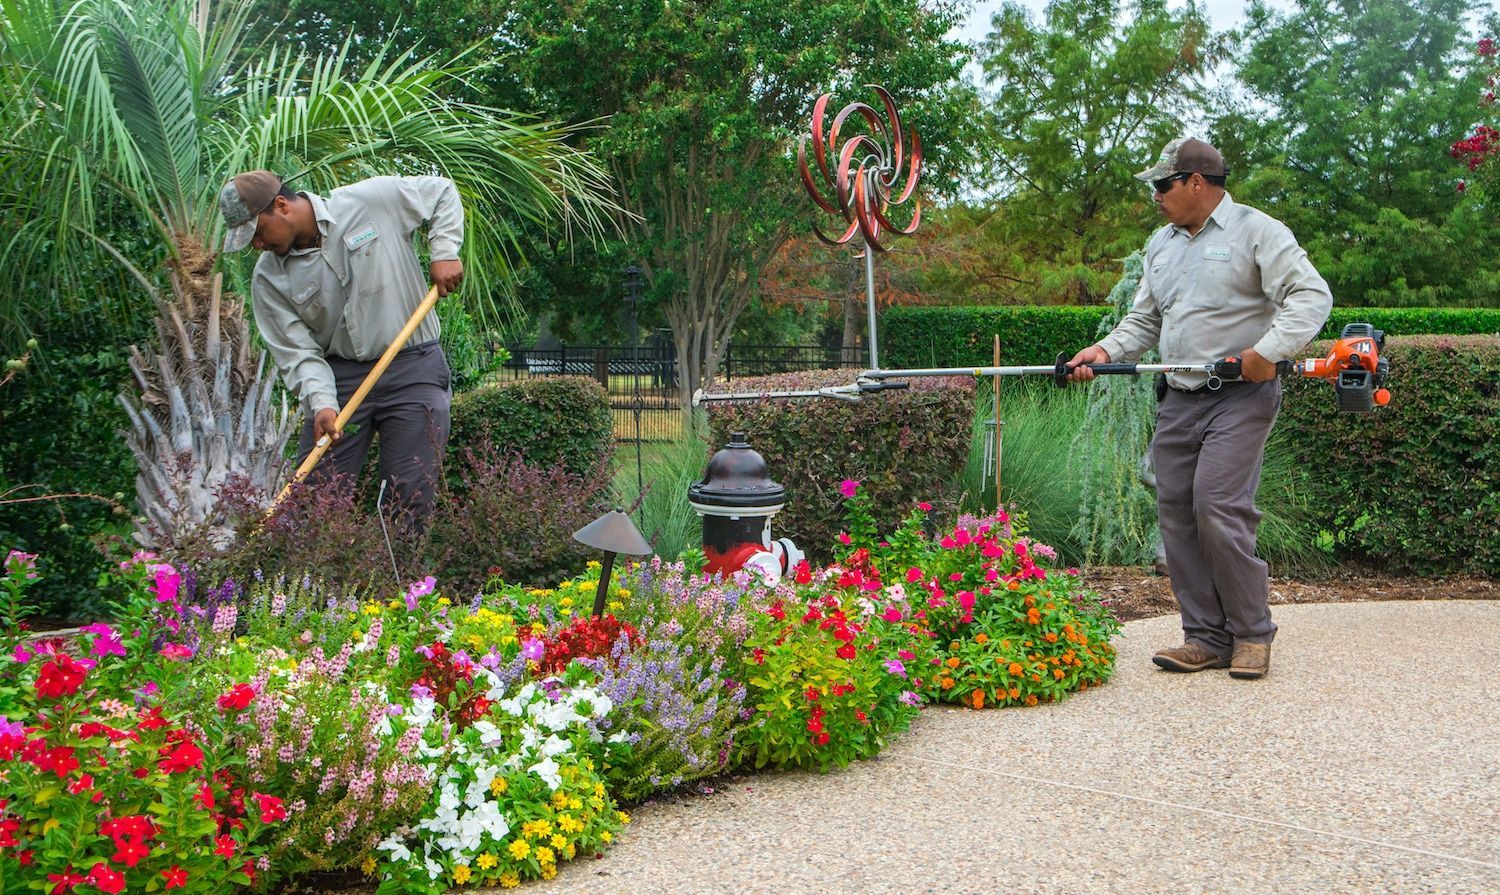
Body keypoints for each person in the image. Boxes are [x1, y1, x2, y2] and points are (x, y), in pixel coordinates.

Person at [1066, 138, 1332, 680]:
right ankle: (1205, 637)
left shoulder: (1258, 231)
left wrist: (1266, 353)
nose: (1155, 196)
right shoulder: (1160, 245)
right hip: (1178, 397)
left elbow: (1311, 296)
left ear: (1195, 182)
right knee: (1178, 515)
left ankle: (1252, 634)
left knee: (1217, 505)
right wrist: (1104, 351)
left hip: (1239, 396)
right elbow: (1145, 322)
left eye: (1162, 185)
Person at [218, 169, 466, 523]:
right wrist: (321, 403)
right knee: (316, 498)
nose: (257, 246)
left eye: (258, 233)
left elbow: (442, 191)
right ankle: (315, 579)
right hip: (341, 383)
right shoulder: (269, 279)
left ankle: (401, 578)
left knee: (409, 495)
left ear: (282, 205)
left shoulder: (371, 200)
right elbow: (299, 353)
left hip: (414, 367)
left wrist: (444, 250)